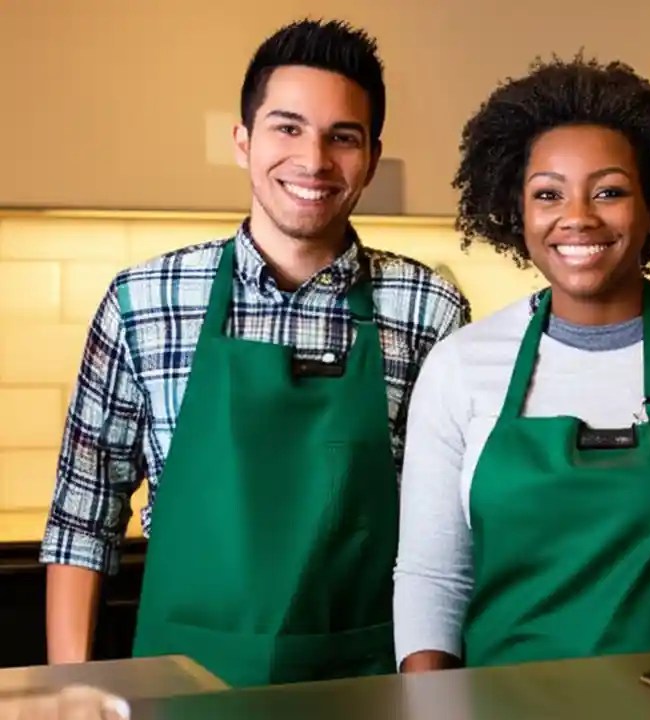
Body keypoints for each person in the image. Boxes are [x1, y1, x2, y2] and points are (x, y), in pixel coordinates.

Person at [40, 19, 469, 687]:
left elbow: (445, 538)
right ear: (242, 141)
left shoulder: (428, 309)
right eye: (287, 127)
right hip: (179, 683)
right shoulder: (144, 300)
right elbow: (82, 517)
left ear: (371, 158)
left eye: (343, 137)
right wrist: (68, 690)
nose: (314, 160)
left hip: (363, 686)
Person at [393, 55, 650, 670]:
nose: (578, 217)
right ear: (519, 211)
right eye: (548, 194)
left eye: (610, 191)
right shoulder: (461, 366)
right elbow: (434, 576)